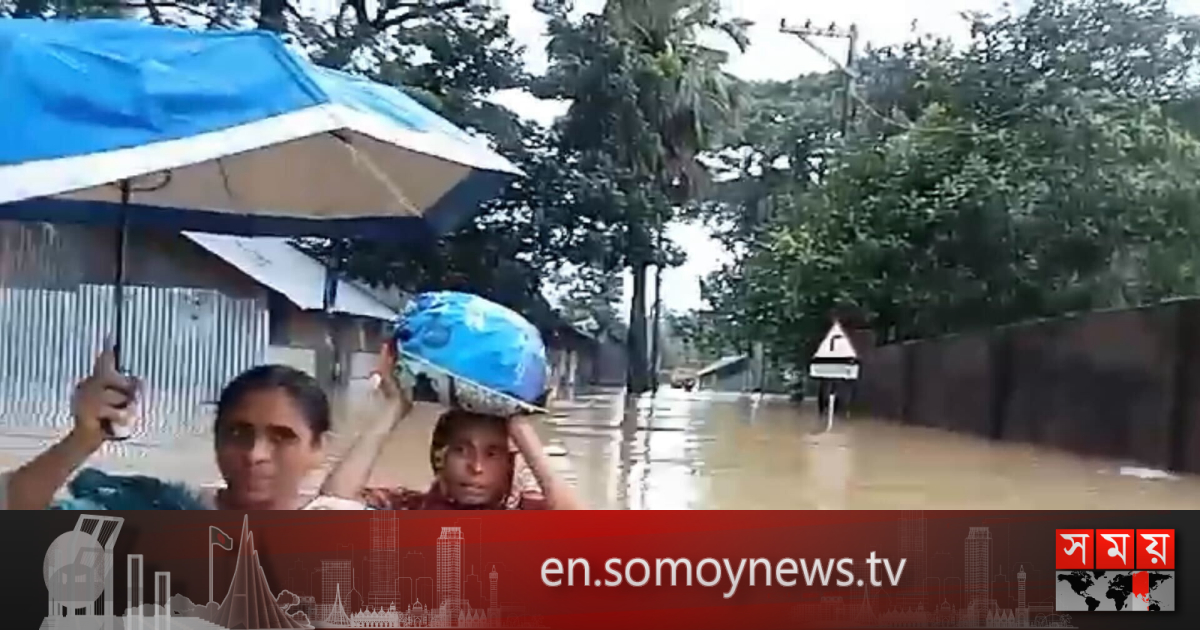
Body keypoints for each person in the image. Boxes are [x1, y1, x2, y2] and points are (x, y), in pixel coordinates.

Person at [0, 340, 398, 510]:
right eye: (238, 433)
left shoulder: (333, 535)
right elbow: (17, 510)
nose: (255, 455)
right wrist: (82, 438)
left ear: (318, 447)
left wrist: (393, 411)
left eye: (282, 437)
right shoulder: (165, 511)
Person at [320, 341, 582, 510]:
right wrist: (395, 407)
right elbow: (329, 508)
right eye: (461, 450)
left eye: (492, 454)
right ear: (439, 457)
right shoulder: (410, 509)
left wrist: (518, 425)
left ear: (509, 464)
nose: (476, 468)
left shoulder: (528, 514)